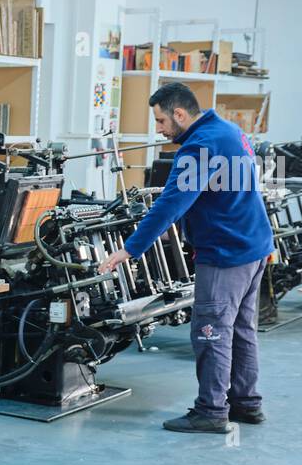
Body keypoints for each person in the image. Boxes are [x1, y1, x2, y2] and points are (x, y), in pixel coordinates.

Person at [98, 82, 273, 434]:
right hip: (254, 246)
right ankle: (246, 403)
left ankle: (211, 410)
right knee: (241, 329)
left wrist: (130, 248)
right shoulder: (229, 130)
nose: (159, 130)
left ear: (180, 114)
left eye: (161, 121)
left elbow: (171, 204)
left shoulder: (200, 147)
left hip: (226, 253)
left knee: (211, 332)